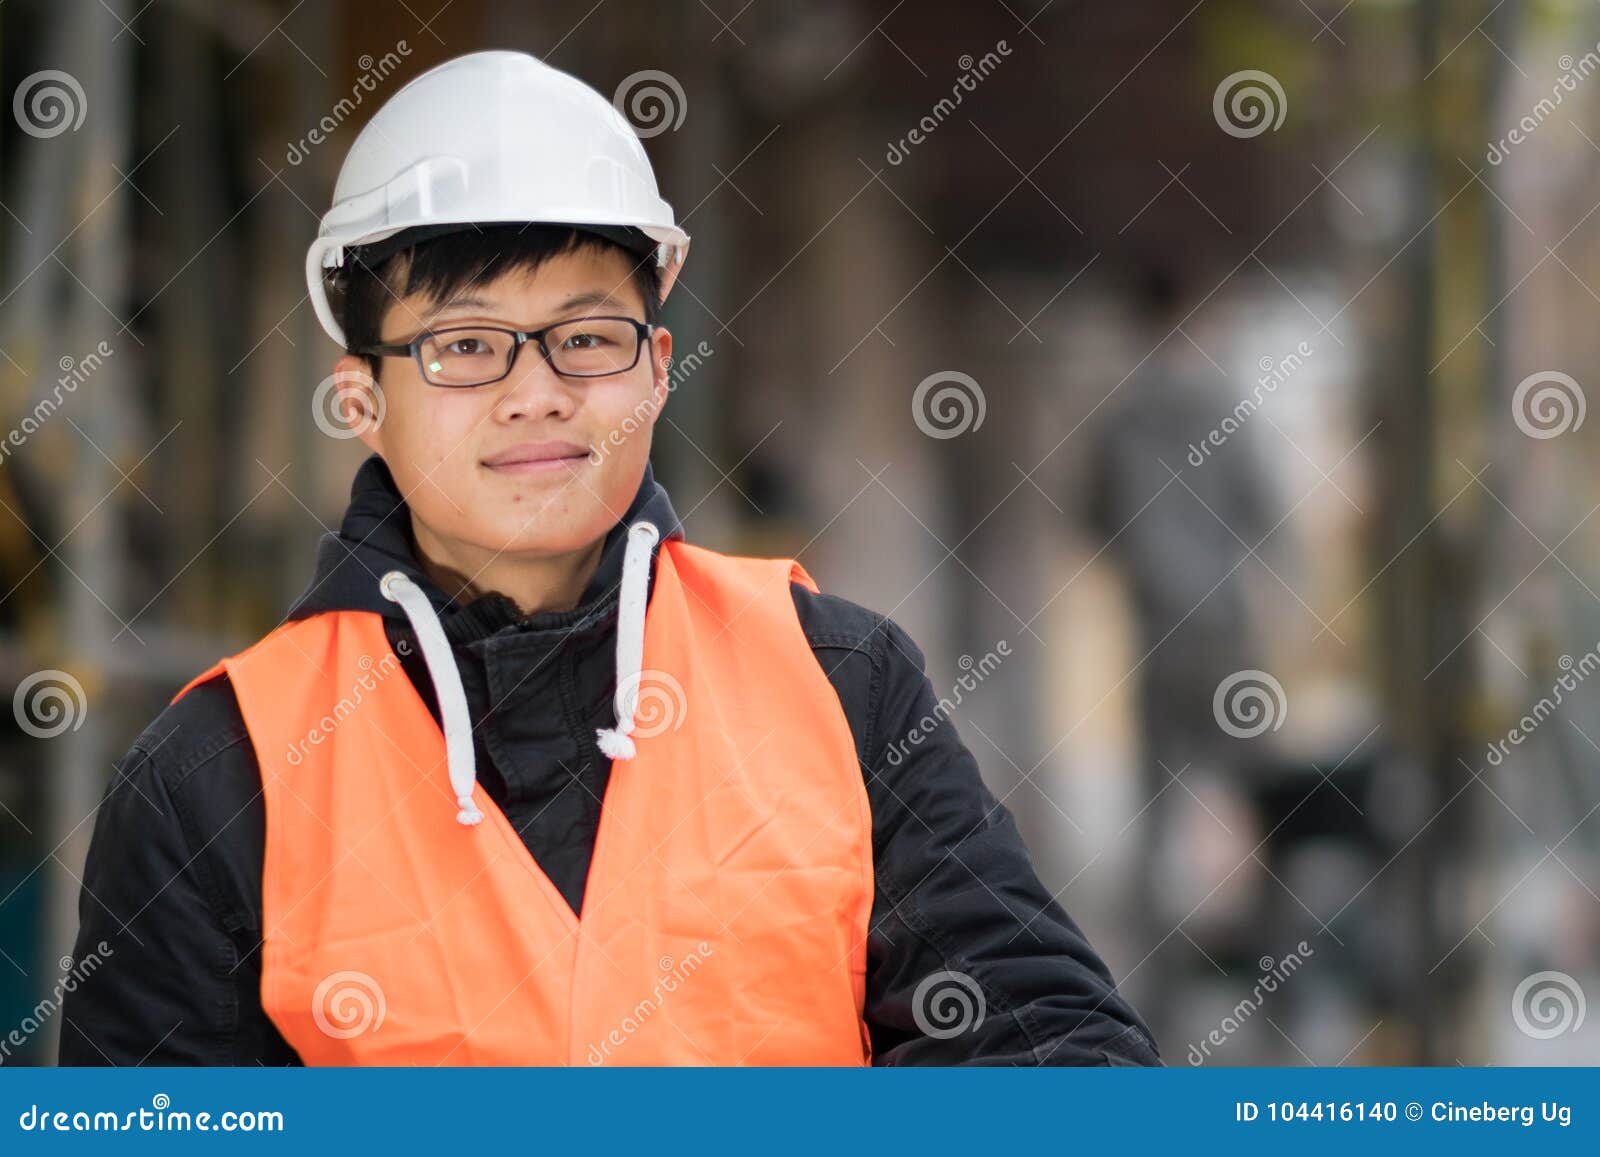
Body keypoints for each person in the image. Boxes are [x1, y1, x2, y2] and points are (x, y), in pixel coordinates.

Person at [59, 50, 1158, 1067]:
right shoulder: (217, 773)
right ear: (361, 398)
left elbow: (1057, 1055)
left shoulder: (840, 681)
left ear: (656, 369)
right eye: (465, 346)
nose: (534, 391)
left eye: (586, 338)